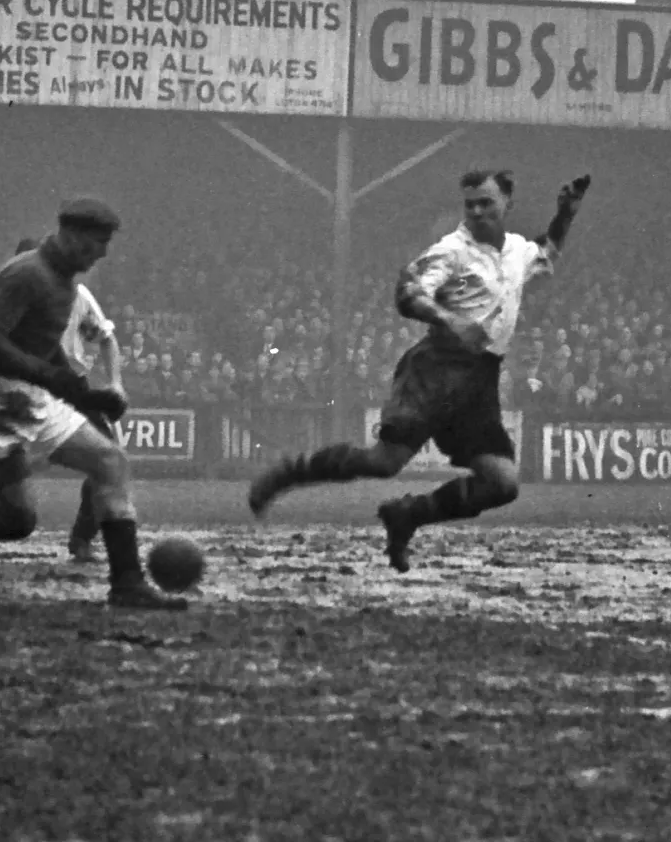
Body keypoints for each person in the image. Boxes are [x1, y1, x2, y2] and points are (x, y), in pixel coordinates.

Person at [247, 169, 591, 572]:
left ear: (507, 204)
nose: (477, 211)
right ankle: (291, 473)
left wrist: (565, 214)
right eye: (470, 204)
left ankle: (408, 515)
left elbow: (547, 254)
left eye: (486, 203)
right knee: (384, 463)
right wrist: (451, 320)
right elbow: (408, 294)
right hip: (435, 370)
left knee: (502, 484)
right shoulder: (451, 251)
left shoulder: (516, 249)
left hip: (479, 381)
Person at [0, 200, 183, 611]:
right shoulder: (28, 274)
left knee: (111, 462)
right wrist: (51, 378)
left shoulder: (65, 283)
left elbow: (43, 348)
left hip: (31, 399)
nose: (104, 253)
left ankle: (127, 583)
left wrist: (84, 394)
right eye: (99, 242)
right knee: (18, 521)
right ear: (74, 237)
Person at [0, 237, 125, 565]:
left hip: (68, 388)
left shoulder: (75, 295)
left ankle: (83, 540)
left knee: (108, 459)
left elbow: (106, 338)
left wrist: (114, 384)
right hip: (22, 392)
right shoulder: (14, 296)